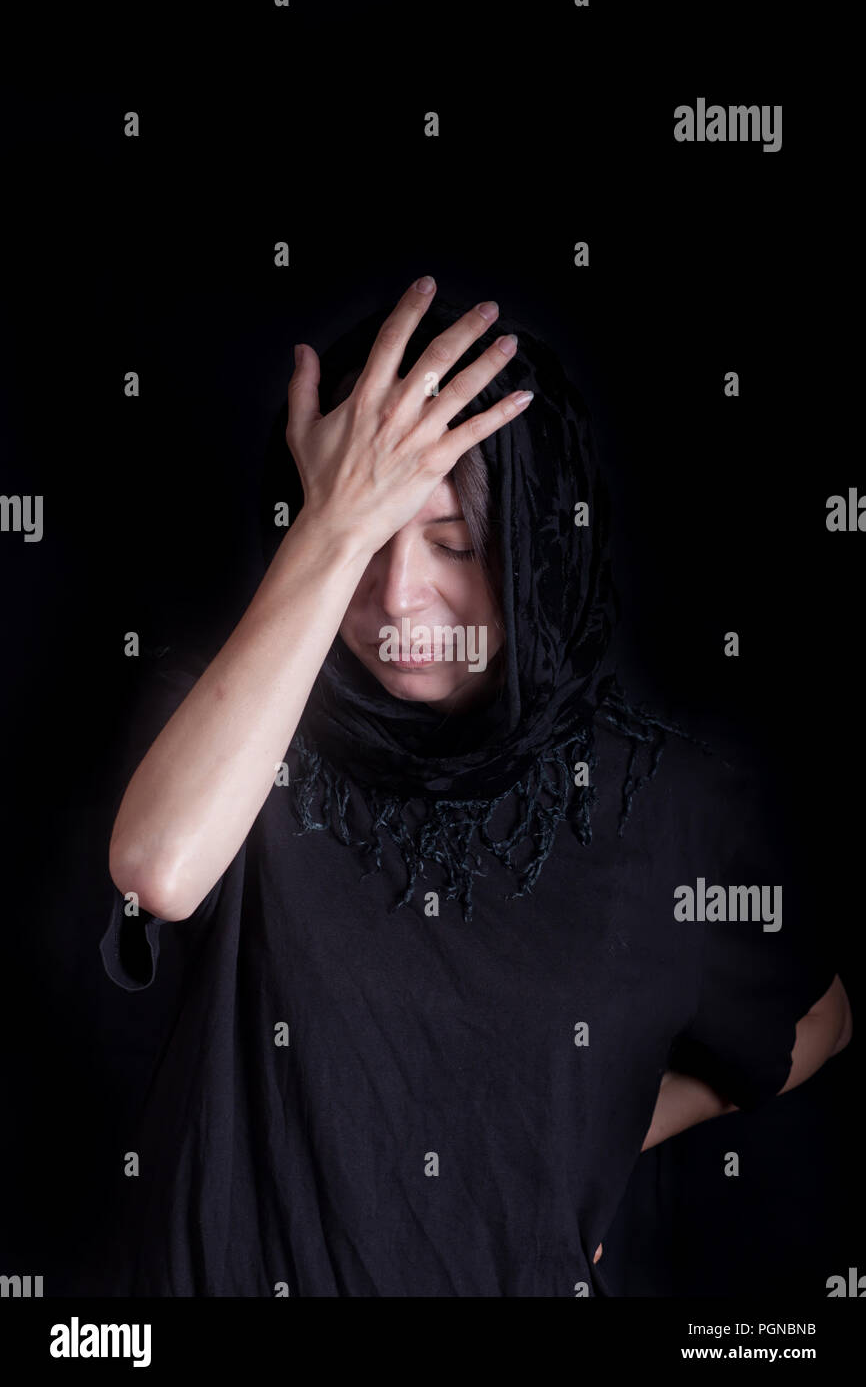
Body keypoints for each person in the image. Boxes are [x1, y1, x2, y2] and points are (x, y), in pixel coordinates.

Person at [100, 276, 851, 1297]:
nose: (398, 595)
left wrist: (601, 1126)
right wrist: (330, 526)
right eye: (365, 542)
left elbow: (816, 1023)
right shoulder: (242, 726)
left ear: (536, 548)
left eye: (452, 543)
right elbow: (159, 869)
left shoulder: (663, 802)